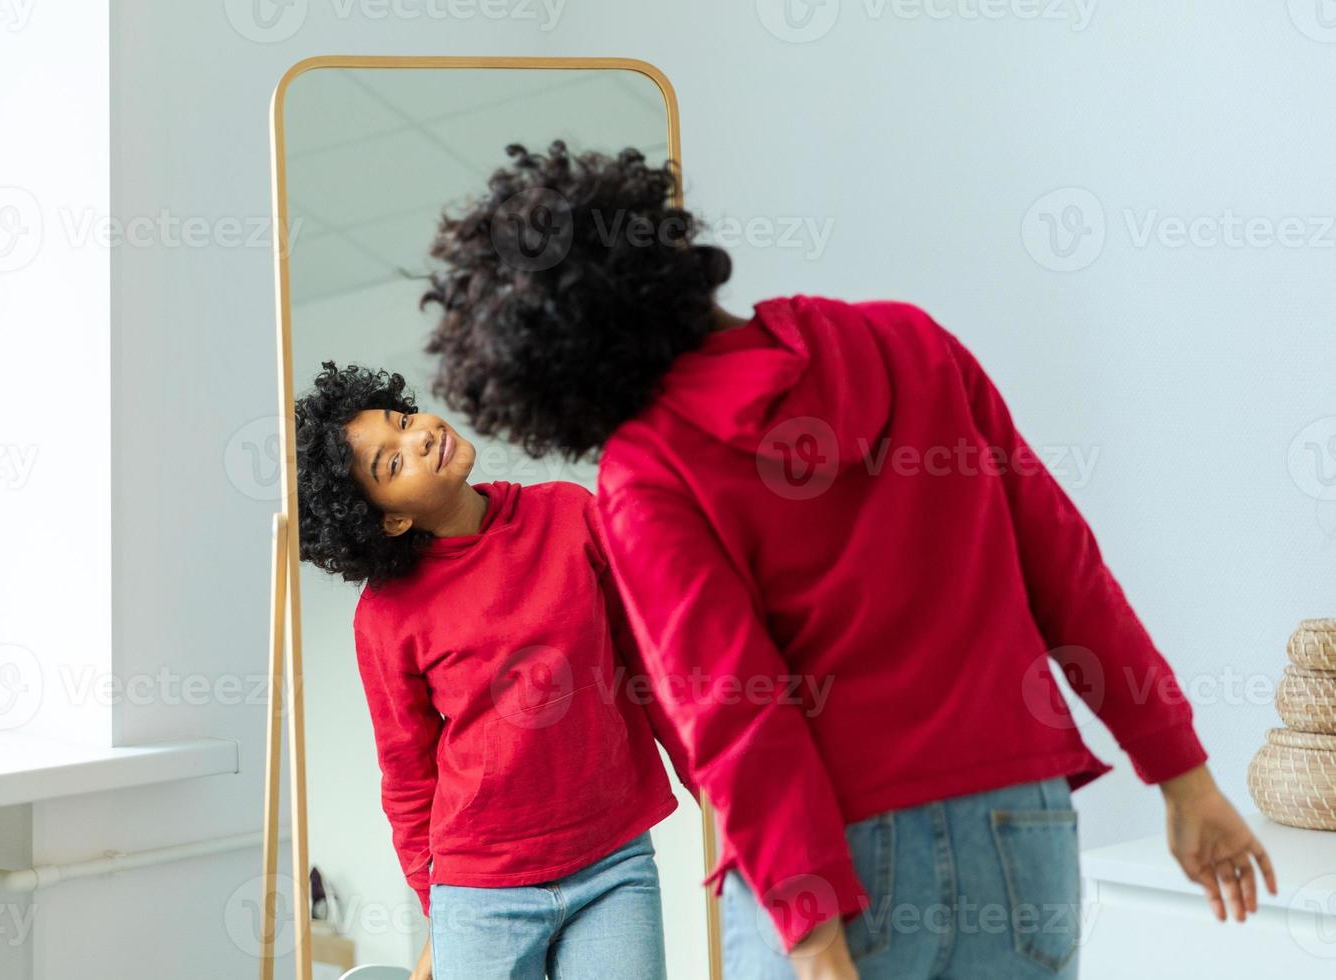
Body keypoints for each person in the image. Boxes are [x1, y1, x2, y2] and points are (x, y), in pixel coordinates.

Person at [418, 140, 1278, 980]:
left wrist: (810, 933)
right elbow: (1068, 573)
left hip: (838, 866)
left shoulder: (650, 469)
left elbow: (735, 710)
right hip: (1023, 829)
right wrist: (1184, 779)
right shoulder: (912, 344)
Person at [294, 361, 695, 980]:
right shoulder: (385, 615)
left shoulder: (569, 514)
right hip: (481, 891)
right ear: (390, 521)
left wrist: (714, 784)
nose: (419, 436)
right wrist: (442, 914)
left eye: (403, 421)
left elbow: (649, 663)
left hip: (613, 862)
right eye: (393, 462)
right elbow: (406, 771)